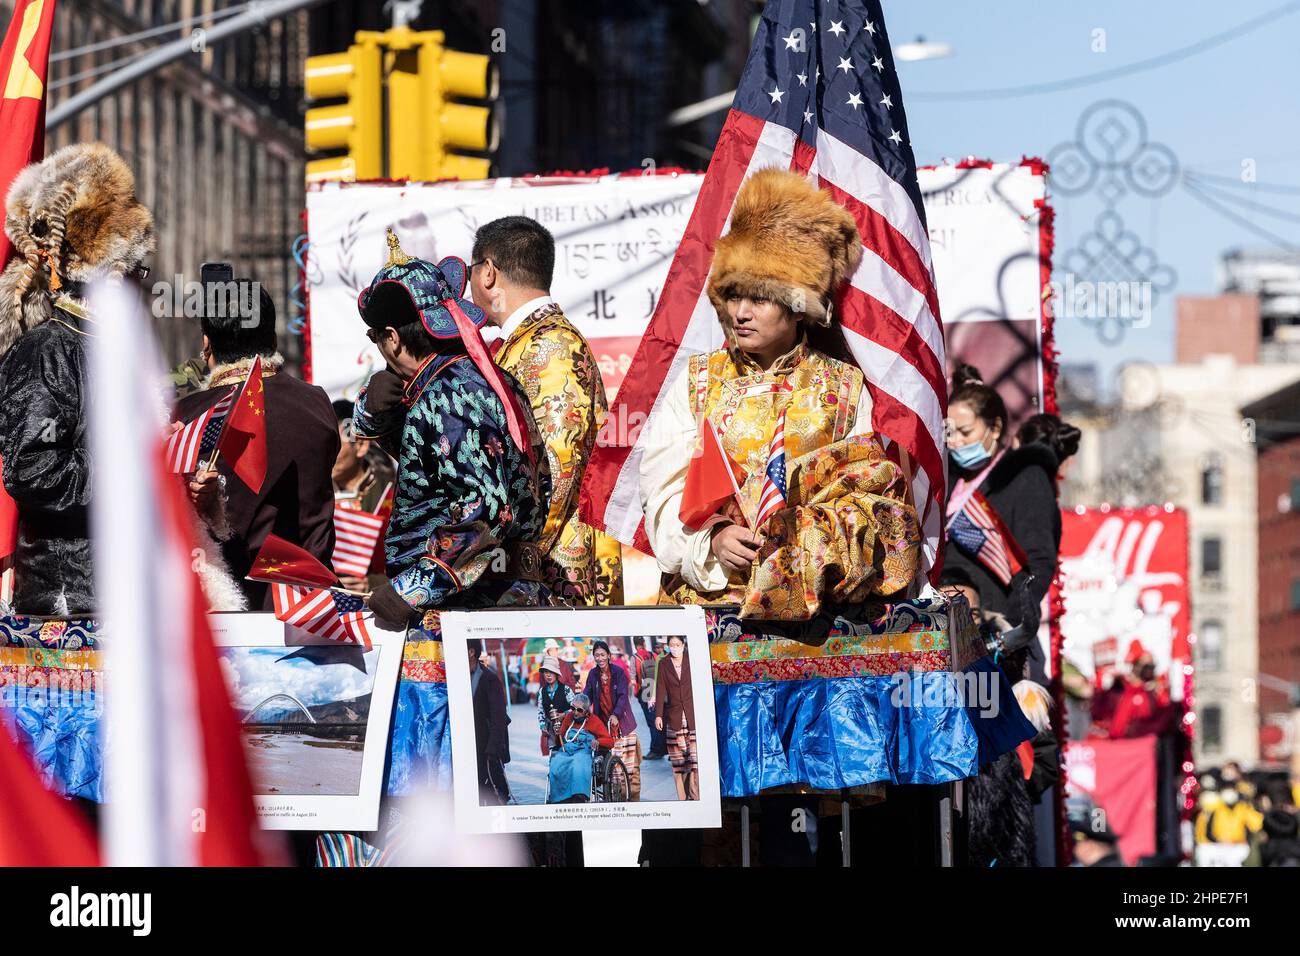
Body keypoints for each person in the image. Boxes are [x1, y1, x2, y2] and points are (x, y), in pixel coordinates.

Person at [638, 168, 920, 622]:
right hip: (710, 618)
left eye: (759, 298)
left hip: (818, 631)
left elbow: (876, 507)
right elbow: (660, 491)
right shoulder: (697, 382)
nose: (741, 312)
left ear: (798, 307)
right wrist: (711, 540)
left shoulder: (845, 389)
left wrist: (806, 536)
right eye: (732, 296)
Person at [352, 232, 550, 630]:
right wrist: (374, 412)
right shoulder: (479, 379)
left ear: (391, 338)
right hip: (496, 600)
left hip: (470, 611)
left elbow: (488, 508)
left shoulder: (448, 395)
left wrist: (413, 588)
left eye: (376, 337)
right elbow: (429, 463)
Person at [0, 144, 154, 616]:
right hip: (72, 604)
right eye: (139, 272)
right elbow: (32, 469)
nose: (145, 285)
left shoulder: (111, 349)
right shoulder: (48, 350)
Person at [469, 216, 623, 606]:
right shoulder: (521, 344)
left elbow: (555, 473)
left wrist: (495, 562)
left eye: (471, 272)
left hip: (555, 580)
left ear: (488, 273)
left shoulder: (551, 347)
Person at [174, 269, 339, 611]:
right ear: (273, 339)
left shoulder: (183, 418)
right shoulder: (316, 402)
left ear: (207, 344)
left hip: (220, 615)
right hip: (308, 608)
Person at [943, 363, 1059, 662]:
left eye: (965, 432)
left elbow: (1040, 560)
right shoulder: (946, 478)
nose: (955, 441)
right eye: (949, 432)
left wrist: (1010, 626)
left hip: (999, 637)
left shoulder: (1025, 476)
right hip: (945, 633)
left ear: (994, 428)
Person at [582, 639, 640, 798]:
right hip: (604, 725)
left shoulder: (618, 672)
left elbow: (623, 697)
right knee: (611, 770)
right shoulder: (593, 674)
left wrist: (616, 714)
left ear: (608, 655)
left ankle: (629, 800)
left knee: (627, 770)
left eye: (602, 654)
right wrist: (580, 705)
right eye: (596, 655)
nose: (599, 658)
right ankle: (614, 800)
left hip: (622, 723)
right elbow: (587, 694)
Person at [547, 693, 614, 803]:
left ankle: (579, 796)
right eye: (573, 708)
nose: (575, 712)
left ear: (587, 712)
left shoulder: (594, 721)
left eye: (579, 710)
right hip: (567, 750)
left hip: (583, 752)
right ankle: (560, 798)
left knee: (577, 763)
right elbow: (561, 739)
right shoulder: (569, 717)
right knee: (557, 762)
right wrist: (557, 733)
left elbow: (610, 742)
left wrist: (598, 741)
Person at [654, 635, 698, 800]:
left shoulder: (691, 659)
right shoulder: (664, 663)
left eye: (677, 644)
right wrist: (658, 715)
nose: (674, 648)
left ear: (683, 644)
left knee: (695, 761)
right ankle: (682, 799)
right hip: (674, 717)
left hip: (693, 716)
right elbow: (660, 690)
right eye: (671, 645)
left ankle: (695, 796)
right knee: (679, 763)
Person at [468, 640, 511, 803]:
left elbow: (498, 717)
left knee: (494, 793)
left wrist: (492, 748)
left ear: (471, 652)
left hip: (488, 747)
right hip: (472, 746)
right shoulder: (460, 678)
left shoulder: (489, 679)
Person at [536, 656, 574, 755]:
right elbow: (541, 711)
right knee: (554, 752)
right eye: (546, 672)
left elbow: (575, 708)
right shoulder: (542, 691)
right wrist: (542, 725)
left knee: (566, 751)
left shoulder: (566, 689)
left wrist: (564, 714)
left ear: (556, 674)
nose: (548, 675)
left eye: (551, 672)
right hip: (551, 729)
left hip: (566, 727)